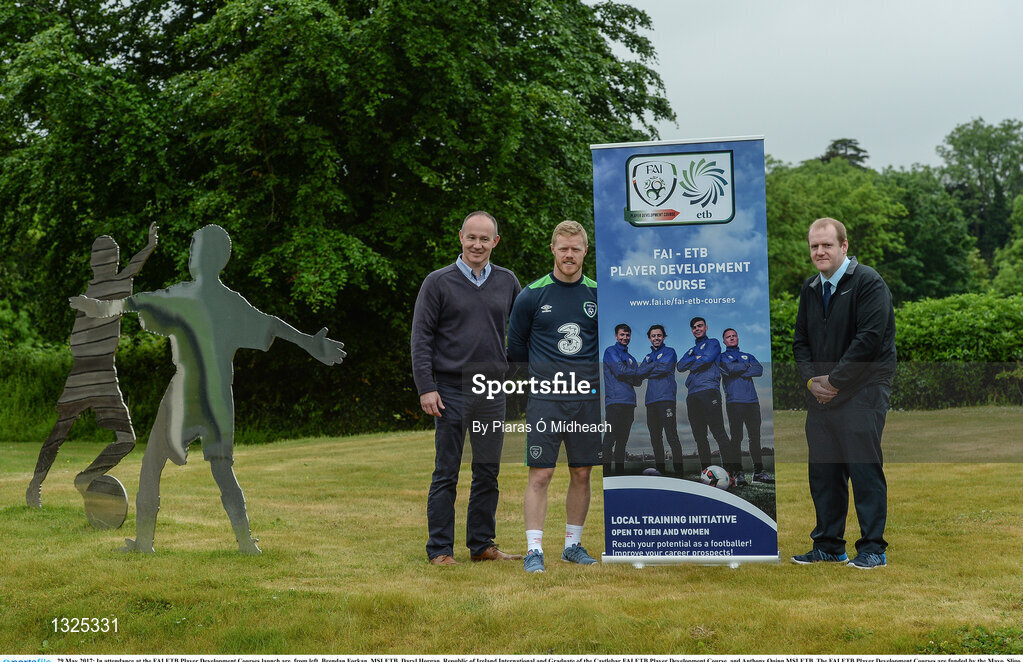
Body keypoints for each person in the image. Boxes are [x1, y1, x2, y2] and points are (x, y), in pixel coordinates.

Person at [70, 224, 345, 554]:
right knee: (223, 470)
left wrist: (99, 308)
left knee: (152, 465)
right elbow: (271, 324)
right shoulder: (232, 302)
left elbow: (134, 302)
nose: (190, 254)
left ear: (208, 256)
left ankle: (144, 543)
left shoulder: (184, 295)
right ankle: (246, 543)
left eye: (193, 248)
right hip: (219, 398)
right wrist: (309, 343)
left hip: (184, 395)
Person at [410, 211, 523, 566]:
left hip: (491, 391)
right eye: (471, 237)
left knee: (487, 471)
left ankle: (482, 545)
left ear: (495, 242)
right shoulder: (437, 282)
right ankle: (440, 550)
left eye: (484, 239)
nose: (477, 244)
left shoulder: (507, 281)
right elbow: (421, 338)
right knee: (447, 472)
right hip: (449, 390)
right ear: (461, 236)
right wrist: (426, 387)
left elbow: (523, 331)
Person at [27, 223, 158, 510]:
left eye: (112, 259)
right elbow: (131, 270)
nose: (111, 264)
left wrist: (149, 246)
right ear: (96, 263)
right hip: (84, 372)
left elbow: (133, 269)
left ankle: (85, 477)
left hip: (102, 373)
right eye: (106, 259)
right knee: (60, 433)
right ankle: (35, 486)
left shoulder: (109, 288)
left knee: (125, 439)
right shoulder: (96, 289)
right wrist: (148, 246)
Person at [792, 217, 895, 569]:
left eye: (827, 245)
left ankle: (873, 549)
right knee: (824, 473)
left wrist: (834, 381)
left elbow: (868, 340)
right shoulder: (810, 288)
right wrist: (812, 382)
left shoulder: (868, 282)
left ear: (844, 246)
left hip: (863, 390)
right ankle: (828, 546)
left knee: (864, 470)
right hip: (821, 395)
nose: (820, 251)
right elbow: (800, 342)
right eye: (814, 246)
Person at [508, 220, 600, 573]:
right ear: (553, 249)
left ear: (585, 251)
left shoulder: (598, 294)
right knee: (541, 474)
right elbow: (516, 348)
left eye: (576, 248)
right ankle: (534, 550)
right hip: (546, 400)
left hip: (587, 400)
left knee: (582, 473)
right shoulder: (532, 294)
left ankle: (572, 545)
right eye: (564, 248)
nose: (569, 255)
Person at [676, 316, 743, 484]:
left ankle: (730, 474)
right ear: (692, 330)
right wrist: (696, 358)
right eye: (694, 327)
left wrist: (696, 361)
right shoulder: (691, 350)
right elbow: (680, 366)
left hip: (709, 391)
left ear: (706, 327)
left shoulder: (713, 343)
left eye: (700, 326)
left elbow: (707, 359)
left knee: (718, 432)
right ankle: (705, 473)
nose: (697, 329)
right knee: (700, 436)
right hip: (692, 395)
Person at [718, 328, 773, 484]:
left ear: (738, 338)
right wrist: (746, 367)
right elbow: (730, 369)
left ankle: (759, 473)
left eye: (734, 335)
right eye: (728, 337)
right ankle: (739, 473)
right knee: (736, 438)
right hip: (734, 402)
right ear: (724, 341)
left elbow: (759, 369)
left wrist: (741, 368)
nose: (732, 338)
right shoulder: (721, 357)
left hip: (752, 401)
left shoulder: (748, 356)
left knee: (755, 437)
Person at [635, 324, 684, 476]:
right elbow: (639, 373)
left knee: (671, 435)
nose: (656, 338)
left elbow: (664, 369)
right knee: (655, 437)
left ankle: (679, 471)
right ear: (649, 338)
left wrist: (649, 368)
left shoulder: (670, 352)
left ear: (663, 337)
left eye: (659, 335)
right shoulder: (647, 357)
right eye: (653, 336)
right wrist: (653, 366)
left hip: (666, 399)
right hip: (651, 401)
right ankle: (660, 470)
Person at [601, 323, 641, 476]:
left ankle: (619, 474)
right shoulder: (610, 351)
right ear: (616, 336)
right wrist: (632, 372)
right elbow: (619, 371)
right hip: (615, 402)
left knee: (622, 441)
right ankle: (605, 474)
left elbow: (637, 381)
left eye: (627, 335)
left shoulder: (631, 358)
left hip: (629, 403)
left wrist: (630, 373)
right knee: (610, 439)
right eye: (622, 335)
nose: (625, 337)